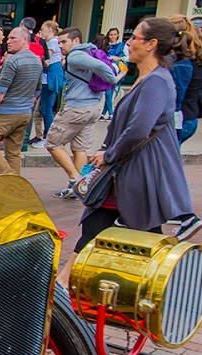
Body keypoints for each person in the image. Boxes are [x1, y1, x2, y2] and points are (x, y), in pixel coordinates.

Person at [74, 18, 195, 253]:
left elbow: (139, 129)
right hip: (129, 170)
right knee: (99, 229)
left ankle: (66, 283)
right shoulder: (149, 79)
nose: (128, 43)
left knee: (135, 236)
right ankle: (67, 282)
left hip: (138, 171)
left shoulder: (157, 81)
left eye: (134, 38)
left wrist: (109, 154)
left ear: (151, 44)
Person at [47, 28, 115, 198]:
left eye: (64, 42)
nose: (60, 46)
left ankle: (76, 180)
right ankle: (78, 190)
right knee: (79, 148)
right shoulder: (89, 52)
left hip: (77, 108)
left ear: (76, 40)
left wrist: (113, 79)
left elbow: (100, 66)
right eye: (59, 42)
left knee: (53, 143)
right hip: (92, 108)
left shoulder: (75, 55)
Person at [0, 25, 41, 175]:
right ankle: (16, 190)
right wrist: (28, 103)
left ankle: (11, 178)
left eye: (13, 38)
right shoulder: (37, 61)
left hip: (5, 112)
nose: (8, 41)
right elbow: (38, 89)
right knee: (13, 153)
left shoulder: (12, 61)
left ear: (25, 39)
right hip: (25, 113)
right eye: (8, 38)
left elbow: (0, 91)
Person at [168, 15, 202, 143]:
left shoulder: (182, 62)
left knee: (166, 160)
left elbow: (177, 97)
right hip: (188, 115)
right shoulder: (195, 58)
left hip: (182, 118)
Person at [28, 21, 64, 148]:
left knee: (46, 109)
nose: (41, 31)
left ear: (49, 29)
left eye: (42, 29)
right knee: (41, 109)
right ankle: (40, 136)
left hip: (49, 78)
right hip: (47, 77)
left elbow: (46, 60)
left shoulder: (53, 42)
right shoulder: (52, 41)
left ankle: (48, 138)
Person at [102, 28, 125, 119]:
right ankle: (106, 113)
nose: (113, 37)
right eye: (111, 35)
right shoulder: (105, 46)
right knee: (109, 91)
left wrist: (118, 58)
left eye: (115, 34)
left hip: (116, 68)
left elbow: (127, 57)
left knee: (109, 90)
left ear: (118, 35)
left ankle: (110, 113)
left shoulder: (122, 46)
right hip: (106, 67)